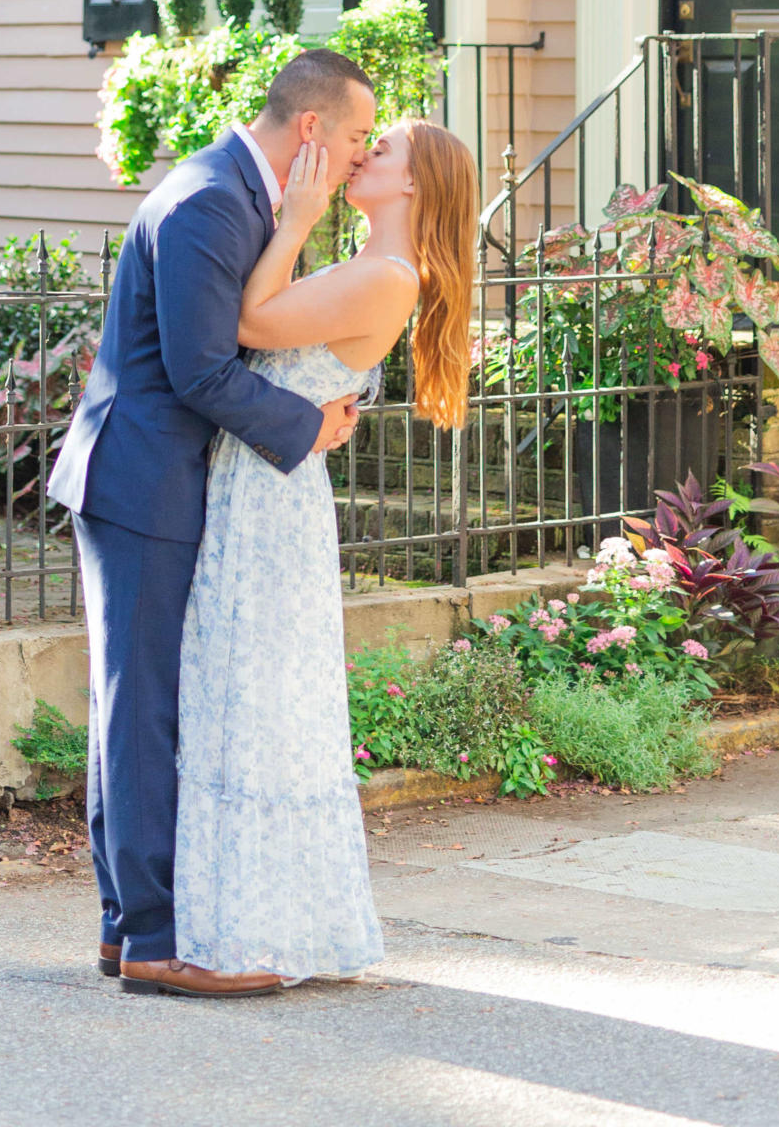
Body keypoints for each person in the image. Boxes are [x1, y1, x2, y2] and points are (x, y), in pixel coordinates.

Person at [47, 50, 377, 999]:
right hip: (142, 482)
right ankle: (151, 943)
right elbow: (198, 369)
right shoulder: (209, 202)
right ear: (311, 128)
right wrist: (305, 426)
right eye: (356, 134)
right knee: (141, 711)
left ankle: (127, 928)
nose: (362, 153)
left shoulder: (246, 196)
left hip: (161, 479)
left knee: (141, 705)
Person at [172, 117, 479, 984]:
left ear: (412, 185)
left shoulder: (385, 275)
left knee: (257, 707)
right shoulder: (372, 268)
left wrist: (296, 216)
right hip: (263, 483)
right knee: (246, 699)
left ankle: (251, 938)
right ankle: (257, 924)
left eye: (380, 151)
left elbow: (248, 323)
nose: (359, 154)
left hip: (269, 504)